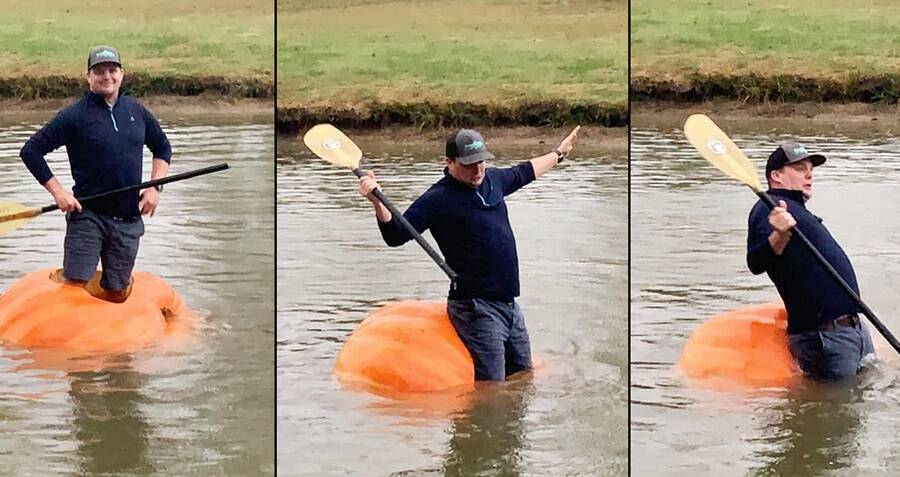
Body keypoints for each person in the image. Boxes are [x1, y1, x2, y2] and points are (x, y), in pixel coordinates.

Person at [358, 127, 580, 381]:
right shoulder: (437, 199)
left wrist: (558, 154)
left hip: (509, 304)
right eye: (469, 165)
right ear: (450, 163)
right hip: (475, 308)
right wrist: (377, 202)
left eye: (481, 162)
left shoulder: (493, 181)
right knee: (492, 386)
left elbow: (525, 172)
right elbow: (396, 234)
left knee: (523, 376)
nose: (477, 170)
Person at [20, 46, 171, 303]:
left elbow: (162, 148)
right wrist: (59, 193)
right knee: (75, 286)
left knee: (118, 291)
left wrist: (155, 187)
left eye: (112, 70)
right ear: (88, 76)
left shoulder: (136, 111)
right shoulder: (74, 116)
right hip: (87, 216)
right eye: (99, 71)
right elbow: (31, 151)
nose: (107, 77)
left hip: (128, 218)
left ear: (122, 74)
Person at [746, 143, 874, 381]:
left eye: (811, 169)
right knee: (836, 404)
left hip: (852, 329)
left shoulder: (798, 211)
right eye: (799, 168)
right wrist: (780, 233)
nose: (809, 175)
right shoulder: (769, 208)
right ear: (776, 176)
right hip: (824, 337)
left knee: (868, 395)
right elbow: (755, 262)